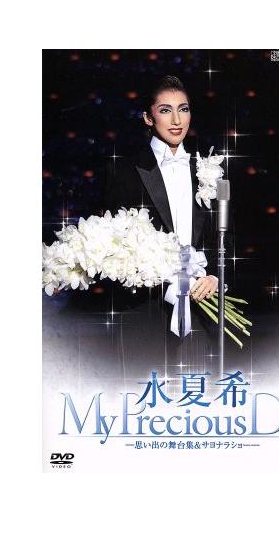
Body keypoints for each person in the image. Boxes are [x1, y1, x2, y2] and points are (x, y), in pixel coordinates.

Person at [103, 75, 220, 369]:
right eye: (165, 110)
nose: (177, 120)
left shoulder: (206, 168)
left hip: (202, 304)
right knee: (145, 392)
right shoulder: (125, 170)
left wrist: (216, 277)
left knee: (200, 391)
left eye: (184, 109)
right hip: (145, 310)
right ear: (148, 117)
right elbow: (113, 240)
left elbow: (225, 236)